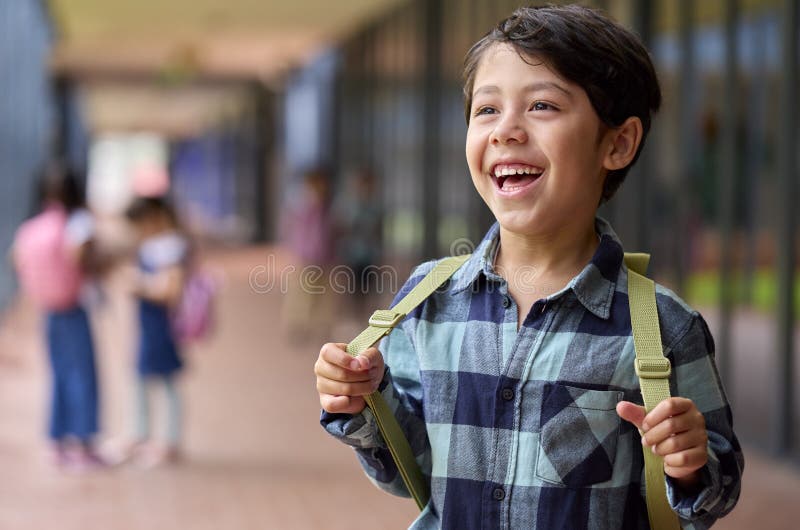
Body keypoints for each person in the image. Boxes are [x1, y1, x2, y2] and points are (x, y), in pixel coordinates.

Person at [314, 5, 743, 529]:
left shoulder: (661, 329)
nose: (506, 131)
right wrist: (365, 400)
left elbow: (715, 496)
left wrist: (691, 464)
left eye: (541, 105)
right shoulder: (429, 302)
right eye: (486, 110)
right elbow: (411, 474)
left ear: (618, 143)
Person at [12, 166, 104, 470]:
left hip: (48, 310)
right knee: (83, 376)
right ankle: (83, 443)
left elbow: (16, 260)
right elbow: (82, 258)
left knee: (59, 374)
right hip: (73, 308)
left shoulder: (33, 225)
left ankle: (57, 441)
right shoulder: (77, 224)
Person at [122, 196, 188, 467]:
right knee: (143, 378)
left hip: (162, 327)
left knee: (165, 381)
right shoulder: (158, 246)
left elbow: (170, 290)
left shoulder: (168, 248)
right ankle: (142, 434)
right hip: (151, 326)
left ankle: (167, 440)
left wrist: (140, 285)